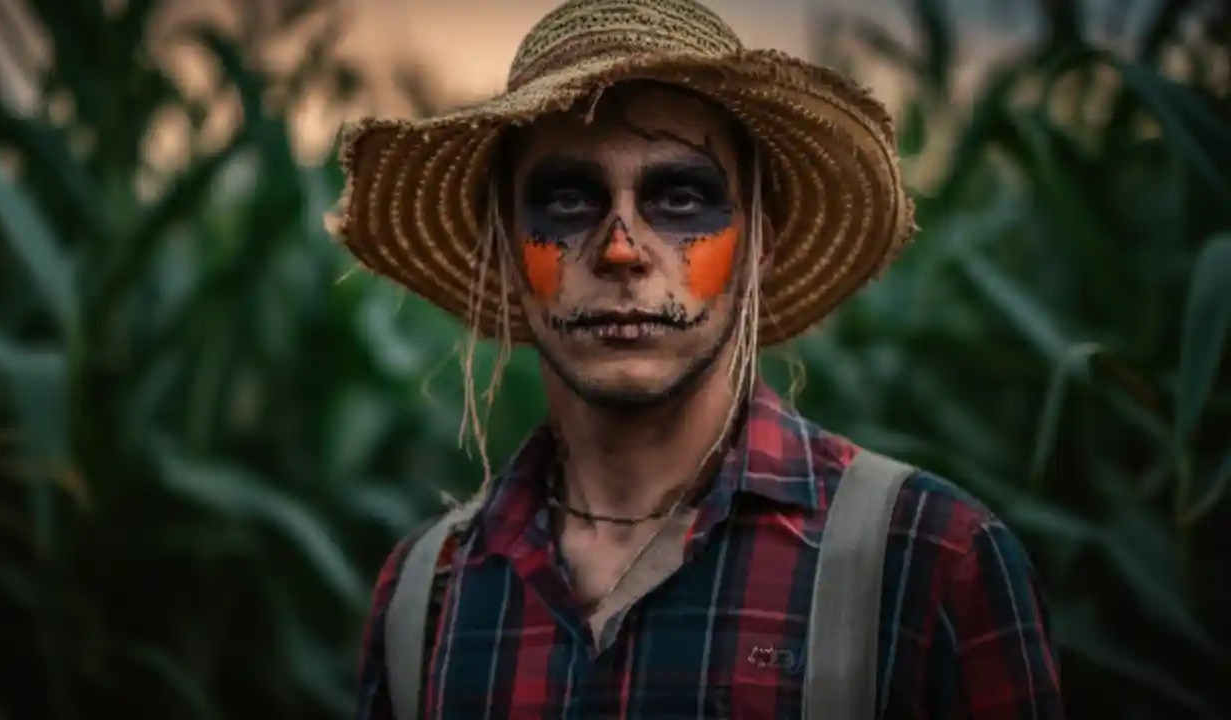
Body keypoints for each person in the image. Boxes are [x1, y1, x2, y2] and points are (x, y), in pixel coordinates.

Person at [329, 0, 1063, 717]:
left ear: (758, 246)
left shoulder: (932, 562)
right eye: (567, 201)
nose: (621, 251)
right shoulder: (429, 596)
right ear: (509, 252)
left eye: (680, 199)